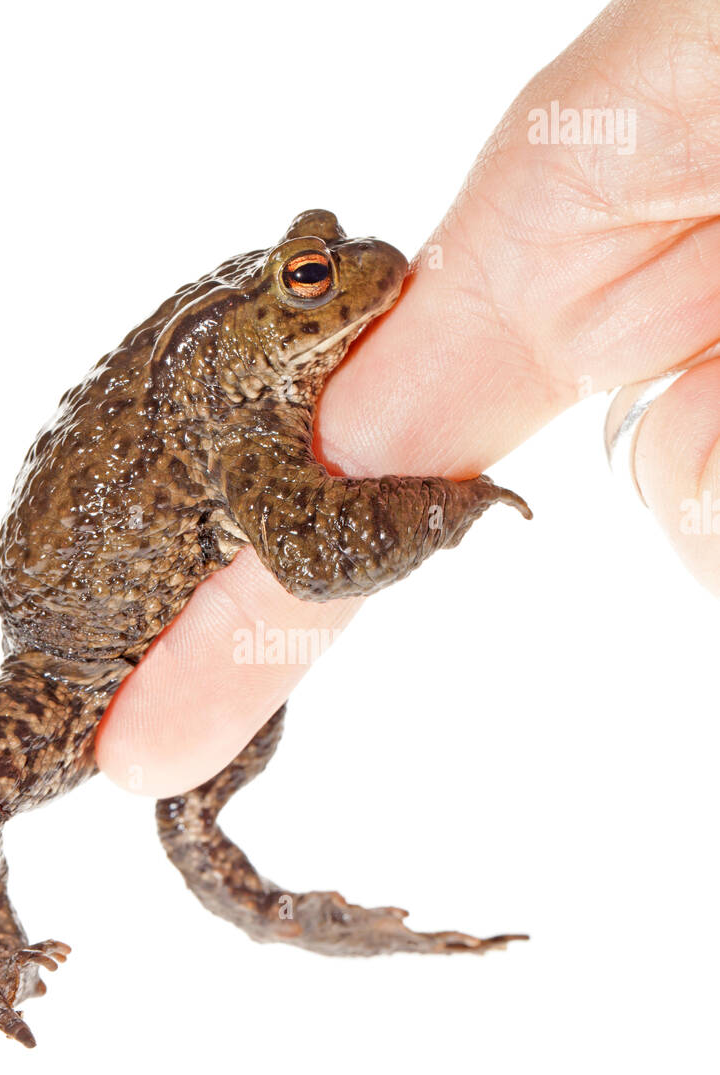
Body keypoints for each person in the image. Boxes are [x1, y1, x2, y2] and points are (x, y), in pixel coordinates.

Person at [96, 0, 720, 798]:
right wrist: (447, 506)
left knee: (212, 731)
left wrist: (446, 501)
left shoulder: (256, 415)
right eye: (313, 279)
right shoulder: (236, 437)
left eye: (321, 255)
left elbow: (312, 556)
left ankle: (226, 866)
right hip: (77, 632)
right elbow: (313, 558)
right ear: (256, 337)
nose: (363, 263)